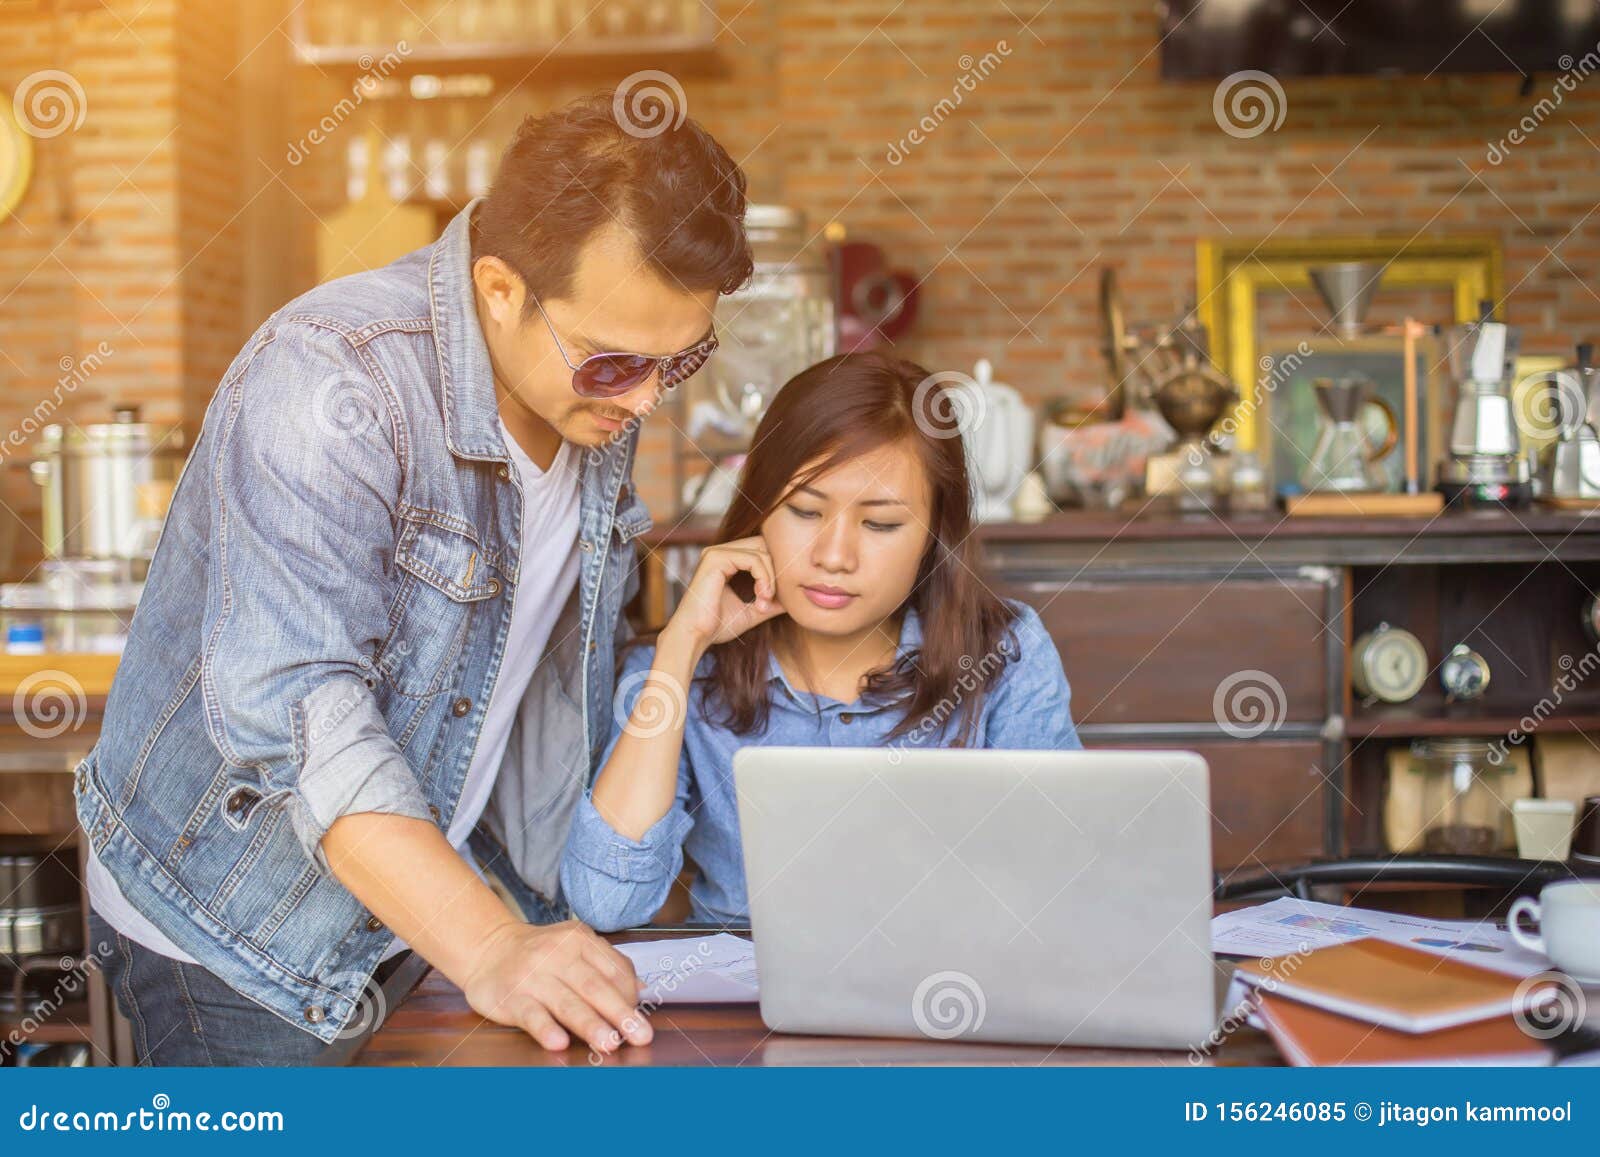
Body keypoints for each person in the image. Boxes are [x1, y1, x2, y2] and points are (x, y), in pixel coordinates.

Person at [75, 92, 754, 1064]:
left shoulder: (586, 400)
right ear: (499, 288)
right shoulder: (327, 379)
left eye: (678, 359)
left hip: (421, 898)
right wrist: (487, 942)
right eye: (613, 364)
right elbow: (303, 706)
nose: (645, 399)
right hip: (236, 920)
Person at [561, 352, 1083, 931]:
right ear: (760, 510)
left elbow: (1057, 880)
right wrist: (682, 647)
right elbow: (606, 902)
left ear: (936, 536)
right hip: (745, 1011)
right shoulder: (679, 669)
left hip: (950, 995)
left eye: (880, 524)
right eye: (805, 512)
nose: (835, 557)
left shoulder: (1003, 653)